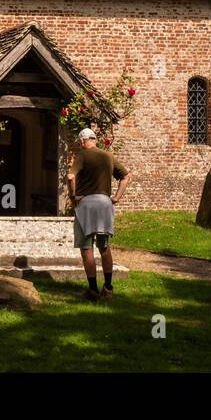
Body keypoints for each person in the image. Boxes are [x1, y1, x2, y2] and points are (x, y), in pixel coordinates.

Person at [67, 127, 131, 300]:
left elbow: (70, 177)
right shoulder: (108, 156)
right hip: (104, 205)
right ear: (94, 139)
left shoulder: (81, 156)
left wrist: (73, 196)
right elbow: (125, 176)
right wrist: (116, 197)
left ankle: (93, 290)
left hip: (86, 205)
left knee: (86, 248)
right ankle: (108, 288)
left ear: (82, 141)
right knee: (104, 247)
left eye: (79, 143)